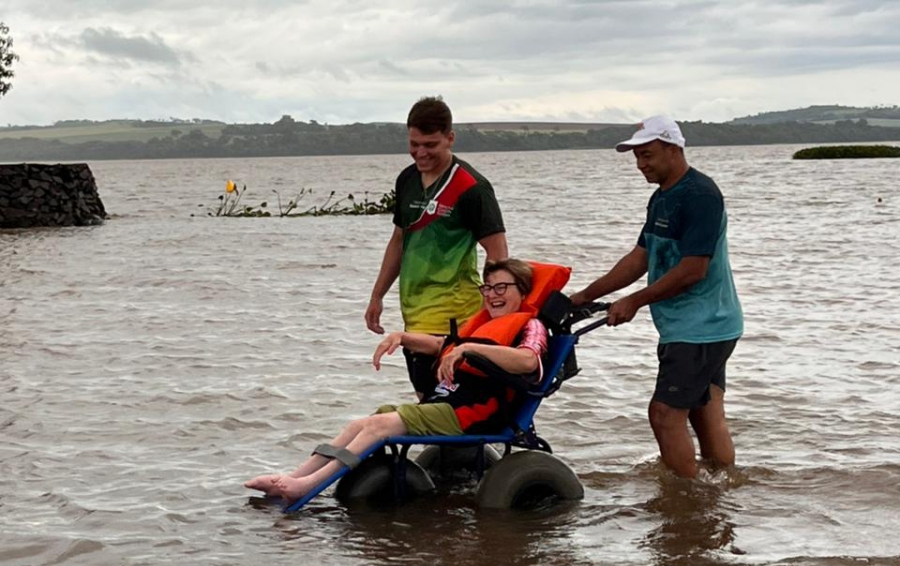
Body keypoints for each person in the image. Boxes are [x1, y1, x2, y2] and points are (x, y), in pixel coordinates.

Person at [247, 259, 551, 501]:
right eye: (488, 289)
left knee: (380, 427)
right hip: (448, 405)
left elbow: (528, 360)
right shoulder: (484, 324)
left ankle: (307, 486)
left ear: (522, 291)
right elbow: (441, 344)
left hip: (477, 414)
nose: (493, 295)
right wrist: (401, 336)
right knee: (362, 423)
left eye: (502, 288)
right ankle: (293, 478)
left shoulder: (531, 325)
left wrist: (468, 349)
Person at [569, 115, 743, 479]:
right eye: (636, 157)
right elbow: (640, 257)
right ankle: (721, 489)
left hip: (702, 325)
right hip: (693, 325)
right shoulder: (662, 198)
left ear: (673, 148)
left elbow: (694, 269)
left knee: (664, 414)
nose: (640, 164)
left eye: (647, 155)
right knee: (704, 410)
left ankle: (686, 500)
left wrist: (634, 301)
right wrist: (582, 297)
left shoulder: (700, 196)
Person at [365, 96, 508, 399]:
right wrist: (377, 296)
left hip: (456, 315)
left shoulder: (472, 187)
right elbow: (399, 241)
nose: (420, 152)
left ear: (450, 138)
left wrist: (492, 308)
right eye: (414, 143)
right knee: (425, 402)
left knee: (450, 410)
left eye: (429, 145)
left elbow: (498, 254)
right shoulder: (407, 179)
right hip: (414, 315)